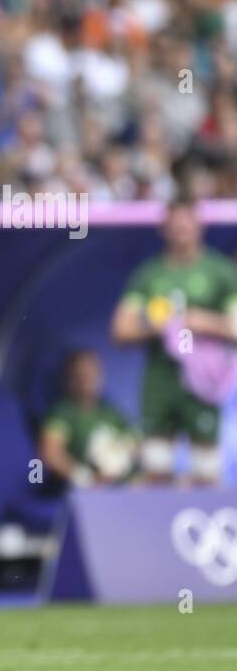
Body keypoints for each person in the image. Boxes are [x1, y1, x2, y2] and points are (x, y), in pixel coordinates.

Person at [110, 199, 237, 485]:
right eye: (174, 222)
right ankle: (153, 528)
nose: (181, 228)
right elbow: (120, 330)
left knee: (206, 472)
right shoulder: (151, 275)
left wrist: (200, 321)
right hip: (162, 377)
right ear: (163, 228)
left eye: (187, 221)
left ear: (200, 226)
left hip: (204, 383)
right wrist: (157, 327)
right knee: (156, 468)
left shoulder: (220, 273)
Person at [39, 349, 137, 488]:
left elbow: (135, 442)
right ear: (69, 378)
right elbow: (50, 453)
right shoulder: (63, 413)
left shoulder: (109, 411)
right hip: (86, 493)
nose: (87, 379)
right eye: (80, 374)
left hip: (123, 487)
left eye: (92, 373)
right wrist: (85, 477)